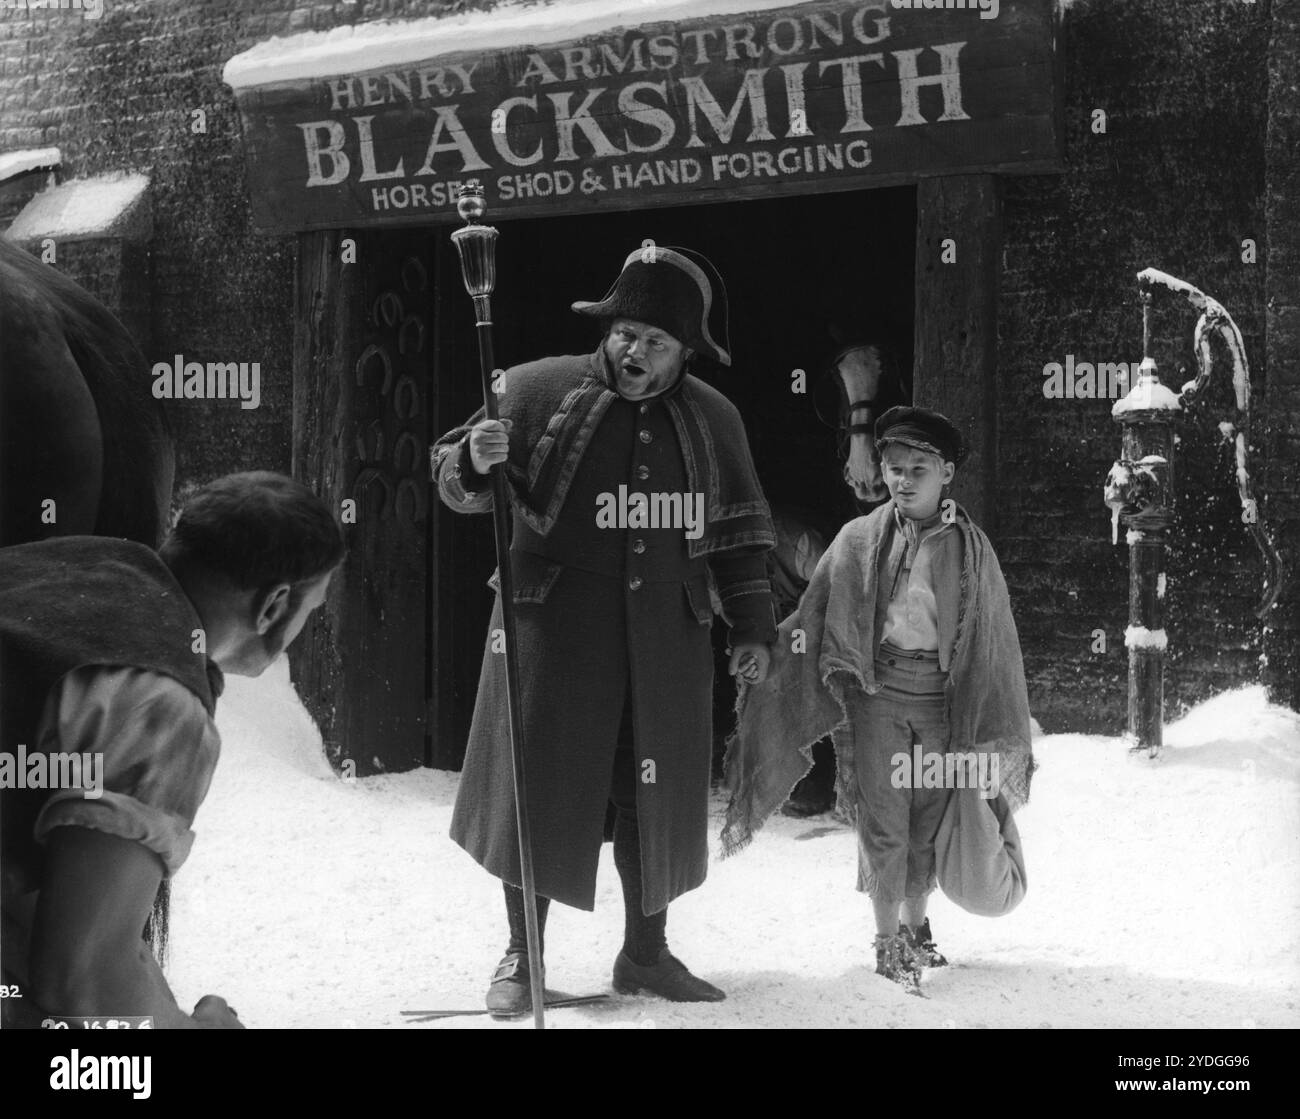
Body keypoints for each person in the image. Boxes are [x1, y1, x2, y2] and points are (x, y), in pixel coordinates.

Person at [433, 244, 777, 1017]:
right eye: (627, 333)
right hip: (552, 630)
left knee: (649, 793)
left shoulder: (715, 418)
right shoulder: (529, 386)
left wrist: (752, 628)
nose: (635, 353)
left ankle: (645, 951)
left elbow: (741, 536)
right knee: (539, 789)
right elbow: (453, 483)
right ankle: (524, 952)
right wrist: (473, 460)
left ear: (687, 352)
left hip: (666, 636)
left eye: (656, 343)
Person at [0, 471, 344, 1028]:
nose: (309, 622)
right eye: (314, 608)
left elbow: (44, 901)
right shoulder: (158, 703)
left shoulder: (84, 563)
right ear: (275, 604)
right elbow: (79, 982)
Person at [721, 407, 1033, 992]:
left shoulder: (973, 550)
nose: (904, 480)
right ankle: (887, 941)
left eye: (919, 468)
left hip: (942, 703)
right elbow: (812, 615)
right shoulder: (859, 539)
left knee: (929, 817)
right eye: (893, 468)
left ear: (947, 474)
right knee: (882, 819)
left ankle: (917, 931)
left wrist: (990, 714)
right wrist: (770, 656)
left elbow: (996, 638)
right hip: (877, 695)